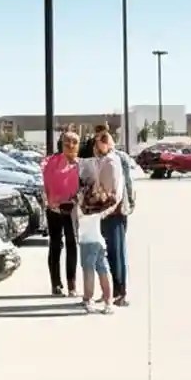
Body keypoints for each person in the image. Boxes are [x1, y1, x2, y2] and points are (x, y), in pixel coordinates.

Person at [42, 131, 81, 296]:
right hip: (54, 209)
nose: (70, 145)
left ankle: (72, 285)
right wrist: (51, 201)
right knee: (56, 244)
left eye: (74, 142)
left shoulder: (81, 164)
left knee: (72, 244)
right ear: (62, 144)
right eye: (67, 142)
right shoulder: (52, 162)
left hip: (72, 210)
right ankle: (55, 284)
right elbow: (45, 183)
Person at [102, 134, 134, 307]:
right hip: (103, 212)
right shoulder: (97, 159)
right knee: (107, 252)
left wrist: (127, 206)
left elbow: (127, 184)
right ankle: (110, 290)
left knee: (117, 252)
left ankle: (120, 291)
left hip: (116, 212)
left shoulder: (119, 158)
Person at [76, 180, 116, 314]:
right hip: (99, 242)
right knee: (104, 271)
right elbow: (110, 206)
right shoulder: (98, 210)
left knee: (89, 272)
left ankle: (88, 299)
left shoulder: (81, 210)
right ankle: (108, 301)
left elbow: (74, 220)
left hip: (87, 243)